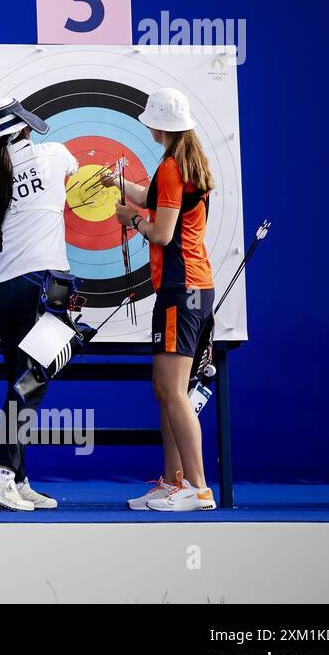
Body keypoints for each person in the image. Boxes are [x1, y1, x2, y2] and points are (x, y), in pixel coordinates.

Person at [102, 88, 217, 512]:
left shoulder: (172, 168)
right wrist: (121, 185)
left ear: (159, 125)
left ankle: (198, 488)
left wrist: (129, 219)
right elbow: (154, 200)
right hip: (187, 289)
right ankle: (174, 481)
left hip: (180, 289)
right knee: (166, 389)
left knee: (173, 389)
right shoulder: (182, 162)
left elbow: (161, 233)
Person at [0, 97, 78, 512]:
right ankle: (0, 474)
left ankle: (18, 477)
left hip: (7, 288)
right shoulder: (54, 155)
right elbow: (73, 174)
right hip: (45, 285)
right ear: (22, 126)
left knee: (19, 380)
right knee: (32, 381)